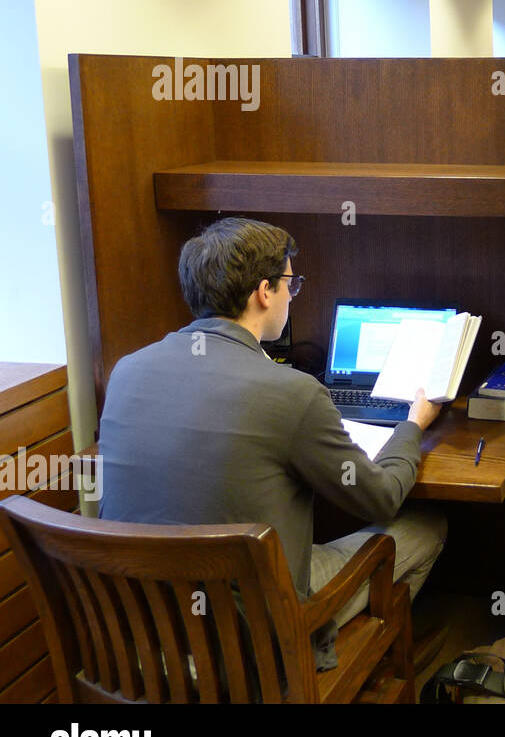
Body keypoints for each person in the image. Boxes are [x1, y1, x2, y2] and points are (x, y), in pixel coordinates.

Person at [99, 216, 446, 670]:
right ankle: (360, 664)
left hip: (144, 633)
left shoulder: (126, 371)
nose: (290, 293)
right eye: (290, 283)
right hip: (251, 643)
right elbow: (380, 499)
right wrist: (413, 425)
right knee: (427, 526)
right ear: (265, 292)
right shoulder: (291, 392)